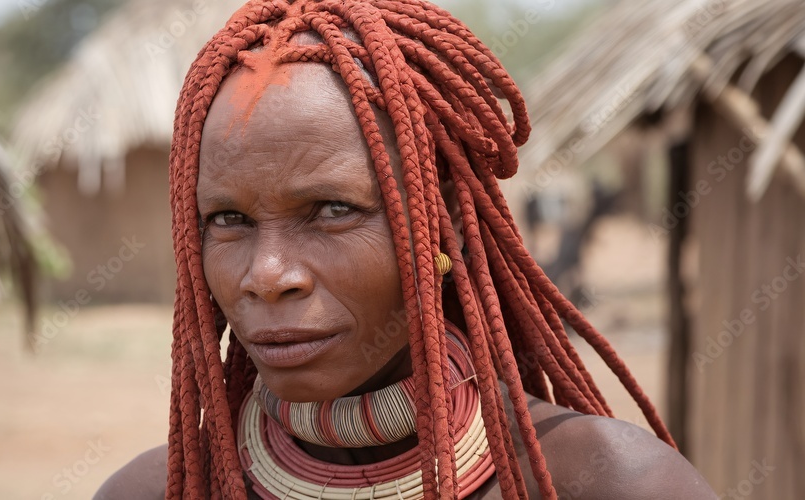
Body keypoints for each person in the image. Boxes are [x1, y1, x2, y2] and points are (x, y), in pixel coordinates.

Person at [97, 0, 715, 498]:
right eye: (227, 219)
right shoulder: (158, 491)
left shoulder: (606, 484)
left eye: (333, 210)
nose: (267, 275)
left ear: (443, 224)